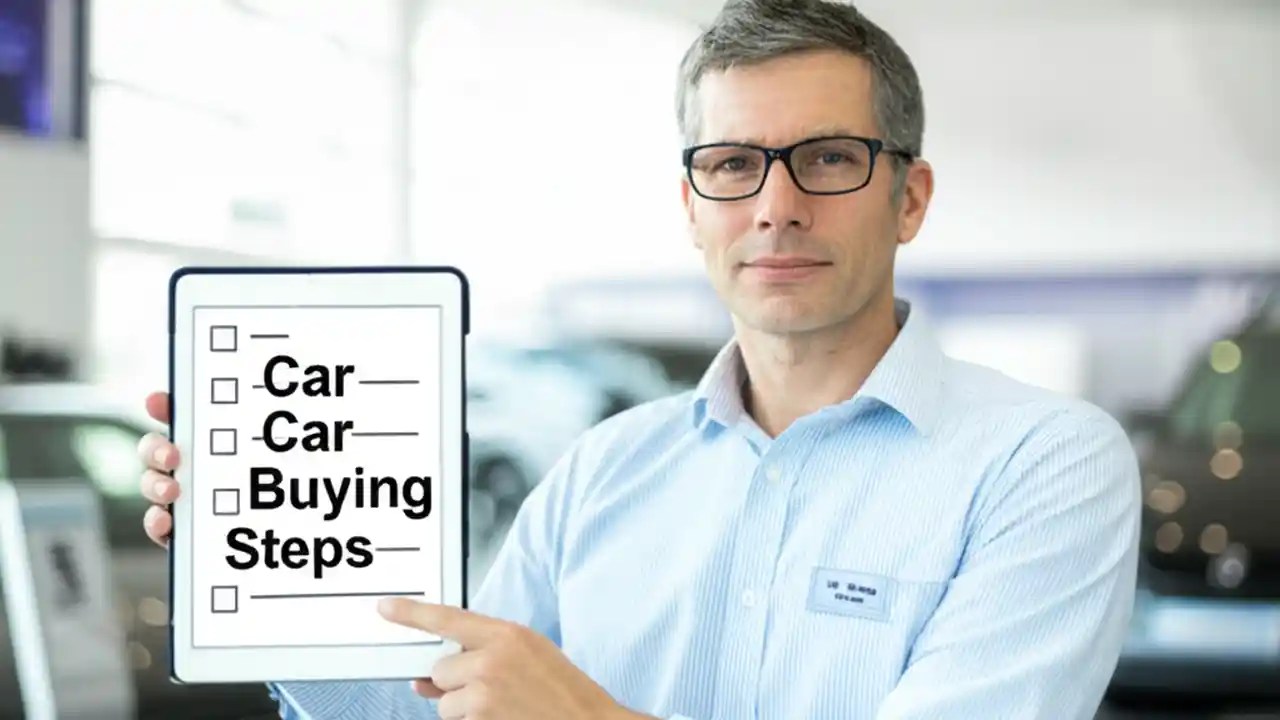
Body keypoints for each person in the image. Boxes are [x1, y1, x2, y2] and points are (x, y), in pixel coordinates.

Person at [137, 1, 1141, 718]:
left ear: (908, 196)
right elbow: (432, 714)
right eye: (732, 164)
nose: (774, 205)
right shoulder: (599, 476)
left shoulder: (1042, 464)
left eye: (827, 158)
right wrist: (263, 562)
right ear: (691, 205)